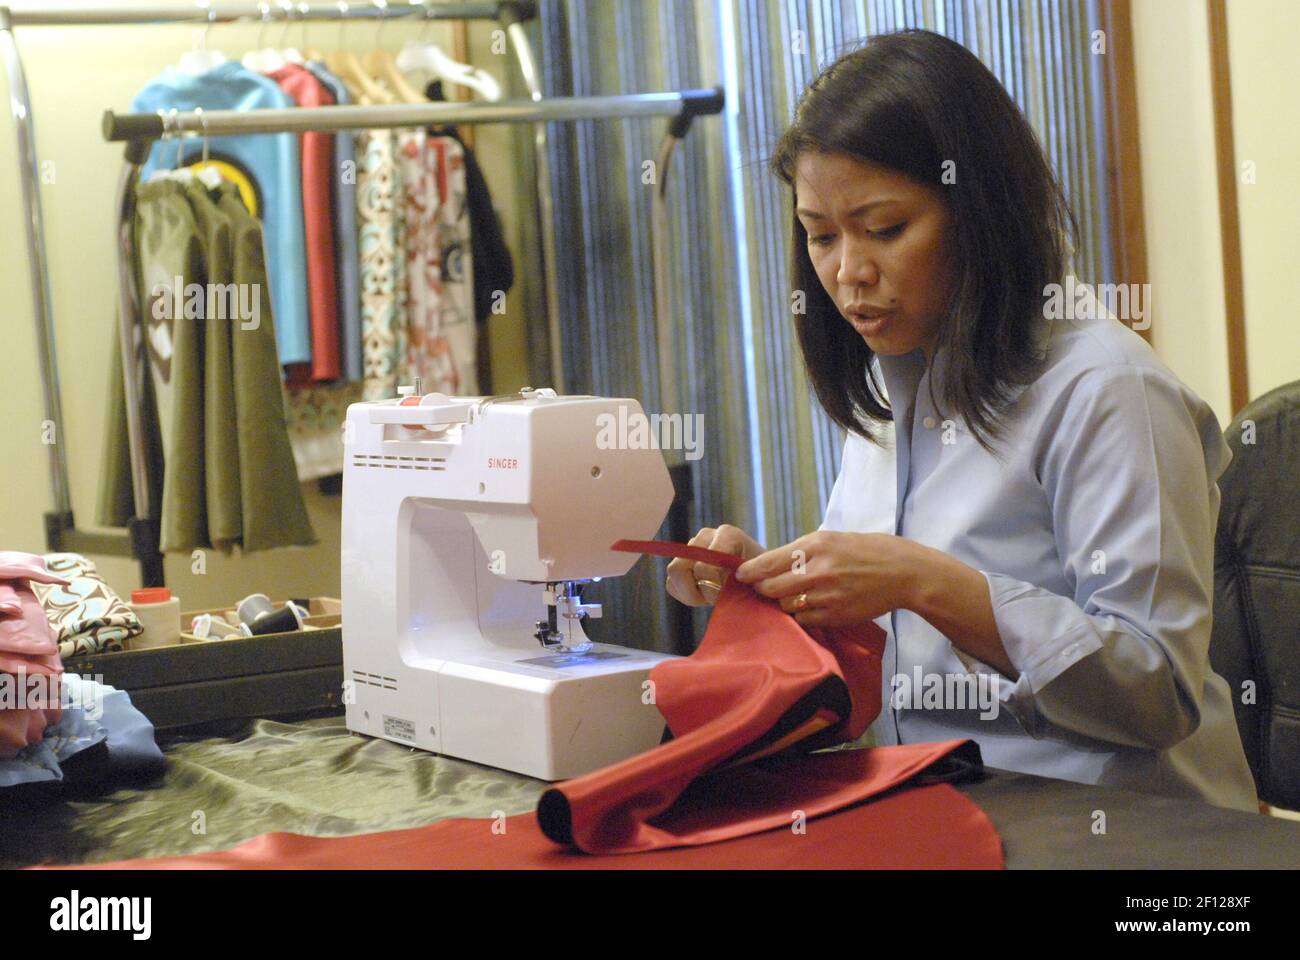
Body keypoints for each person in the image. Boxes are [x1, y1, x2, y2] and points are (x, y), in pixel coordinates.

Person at [665, 29, 1258, 813]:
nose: (849, 272)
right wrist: (775, 588)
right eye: (820, 235)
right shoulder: (896, 376)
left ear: (979, 210)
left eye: (885, 229)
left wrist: (928, 583)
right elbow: (886, 651)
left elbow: (1157, 694)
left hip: (1125, 833)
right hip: (944, 807)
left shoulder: (1108, 390)